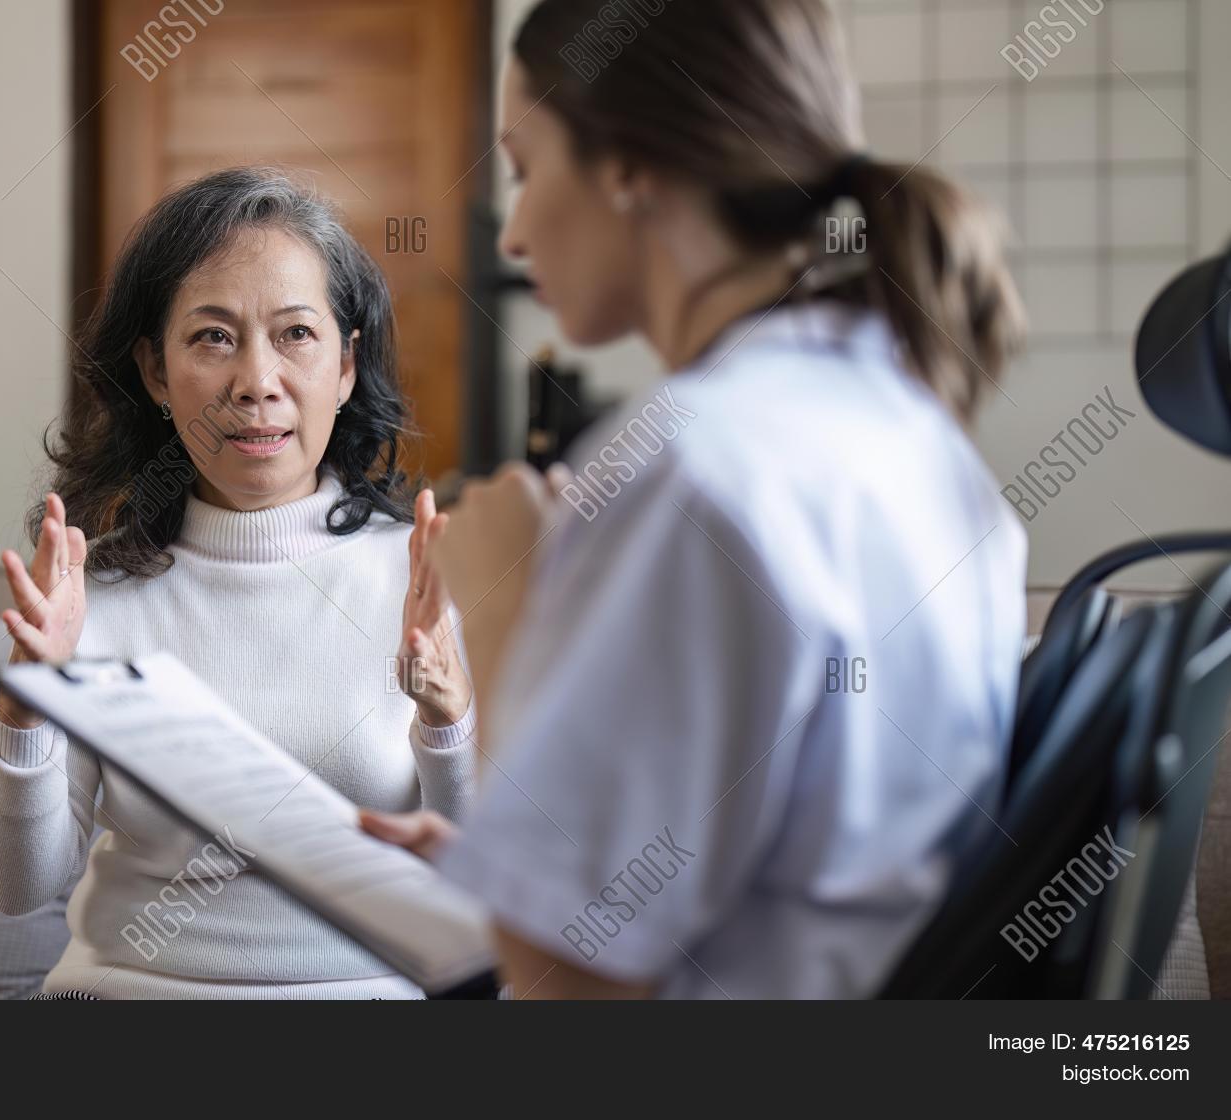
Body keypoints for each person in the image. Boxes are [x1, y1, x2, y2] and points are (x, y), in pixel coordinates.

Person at [361, 0, 1028, 999]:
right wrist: (502, 863)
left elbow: (569, 999)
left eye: (527, 168)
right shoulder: (907, 429)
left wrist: (503, 619)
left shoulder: (687, 476)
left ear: (629, 167)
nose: (516, 232)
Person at [0, 168, 475, 999]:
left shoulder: (428, 577)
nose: (255, 383)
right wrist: (24, 707)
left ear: (346, 364)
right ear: (156, 374)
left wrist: (448, 723)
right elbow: (15, 887)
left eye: (295, 334)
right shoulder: (98, 594)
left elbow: (501, 880)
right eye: (214, 337)